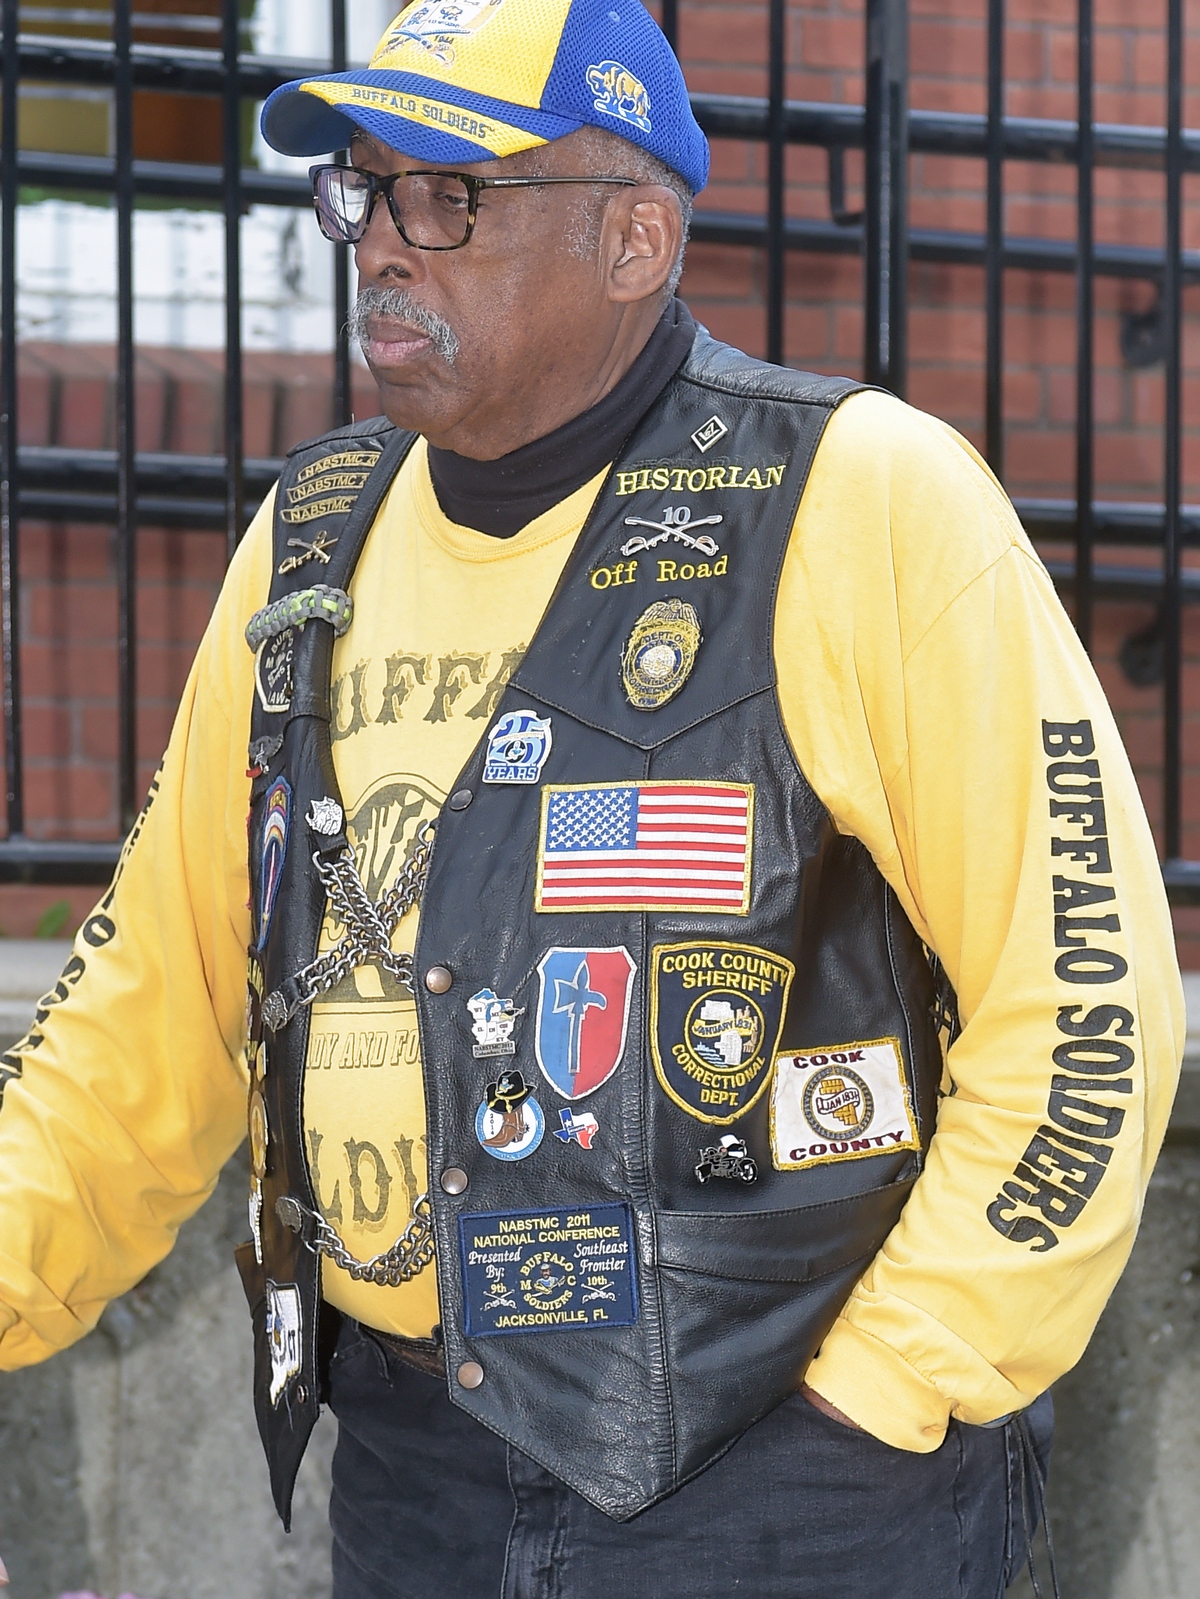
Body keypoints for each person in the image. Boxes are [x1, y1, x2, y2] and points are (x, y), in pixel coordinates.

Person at [0, 3, 1183, 1595]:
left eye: (451, 195)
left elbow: (1088, 1004)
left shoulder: (858, 498)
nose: (383, 247)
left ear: (636, 238)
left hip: (791, 1483)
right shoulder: (309, 542)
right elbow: (142, 1019)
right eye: (364, 189)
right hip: (414, 1475)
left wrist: (893, 1399)